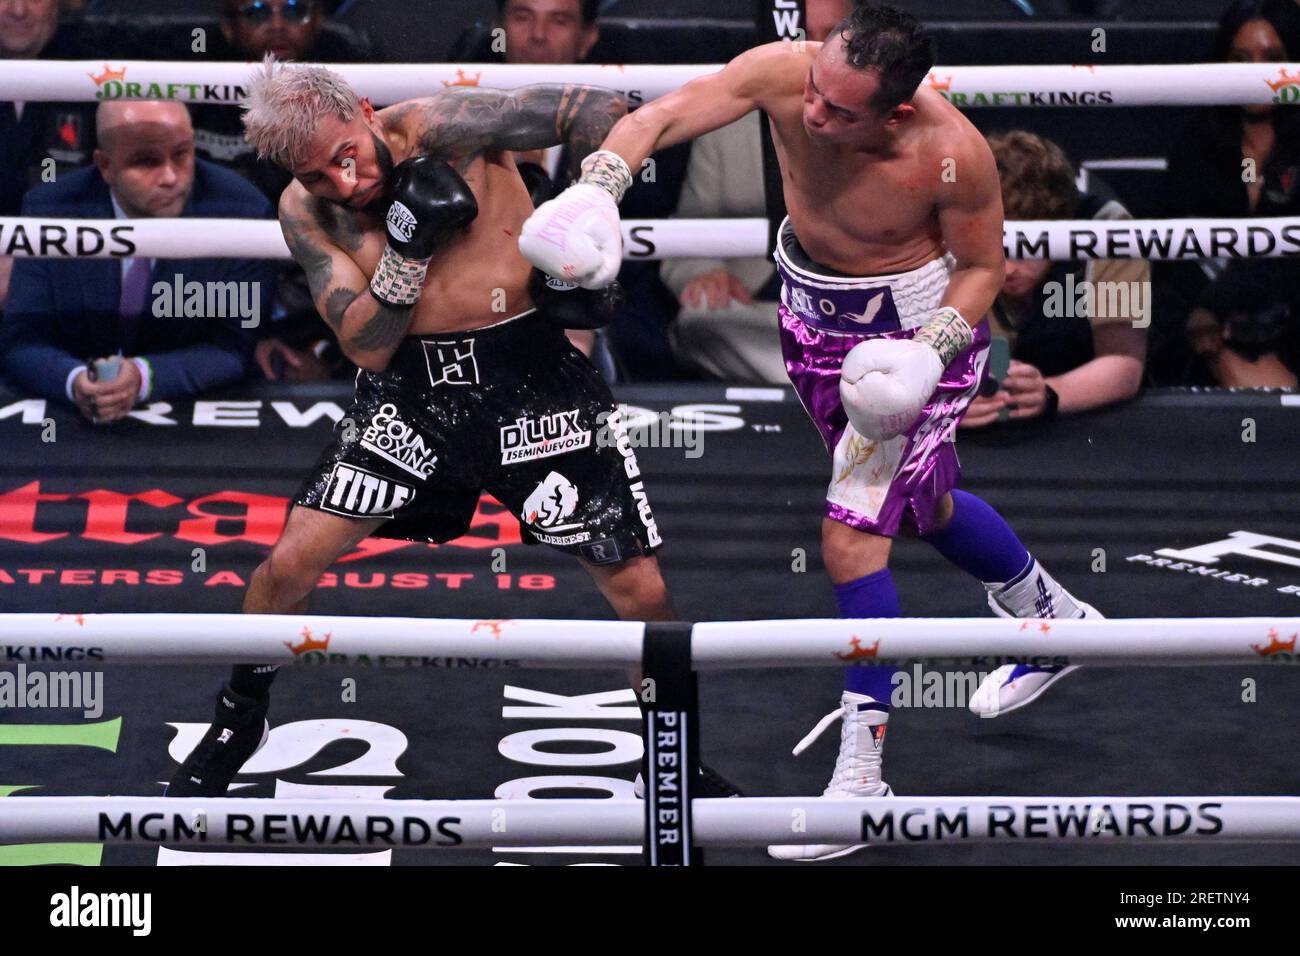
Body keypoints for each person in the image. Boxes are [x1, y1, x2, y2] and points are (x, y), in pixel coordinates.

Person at [520, 3, 1101, 862]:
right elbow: (662, 115)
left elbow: (980, 268)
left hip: (914, 333)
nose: (814, 114)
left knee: (852, 538)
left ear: (897, 112)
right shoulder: (789, 71)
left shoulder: (953, 152)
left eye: (841, 110)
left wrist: (929, 353)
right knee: (925, 503)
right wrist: (597, 192)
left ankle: (861, 785)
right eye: (816, 91)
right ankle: (1049, 614)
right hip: (811, 323)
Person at [164, 59, 728, 799]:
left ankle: (674, 760)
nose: (344, 183)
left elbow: (598, 107)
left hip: (531, 375)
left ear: (365, 110)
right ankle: (241, 717)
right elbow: (364, 345)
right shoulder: (305, 211)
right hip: (408, 395)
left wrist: (581, 215)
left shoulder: (450, 127)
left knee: (640, 589)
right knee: (288, 565)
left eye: (346, 155)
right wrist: (406, 248)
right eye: (317, 174)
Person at [0, 101, 272, 419]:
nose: (171, 177)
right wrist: (72, 380)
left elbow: (234, 346)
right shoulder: (51, 209)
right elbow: (21, 338)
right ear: (104, 166)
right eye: (146, 162)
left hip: (197, 424)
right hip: (70, 426)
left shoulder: (242, 210)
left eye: (182, 154)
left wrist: (145, 376)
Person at [662, 0, 854, 386]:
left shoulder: (889, 123)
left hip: (859, 322)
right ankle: (841, 384)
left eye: (833, 39)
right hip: (756, 318)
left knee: (893, 339)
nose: (817, 57)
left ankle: (840, 377)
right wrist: (705, 273)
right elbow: (681, 240)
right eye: (800, 39)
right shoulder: (727, 126)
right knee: (702, 319)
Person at [961, 131, 1148, 427]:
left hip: (1089, 427)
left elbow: (1124, 362)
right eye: (998, 247)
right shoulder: (948, 226)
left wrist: (1048, 393)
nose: (1008, 269)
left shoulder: (1107, 229)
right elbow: (907, 355)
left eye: (1026, 250)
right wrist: (944, 403)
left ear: (1061, 221)